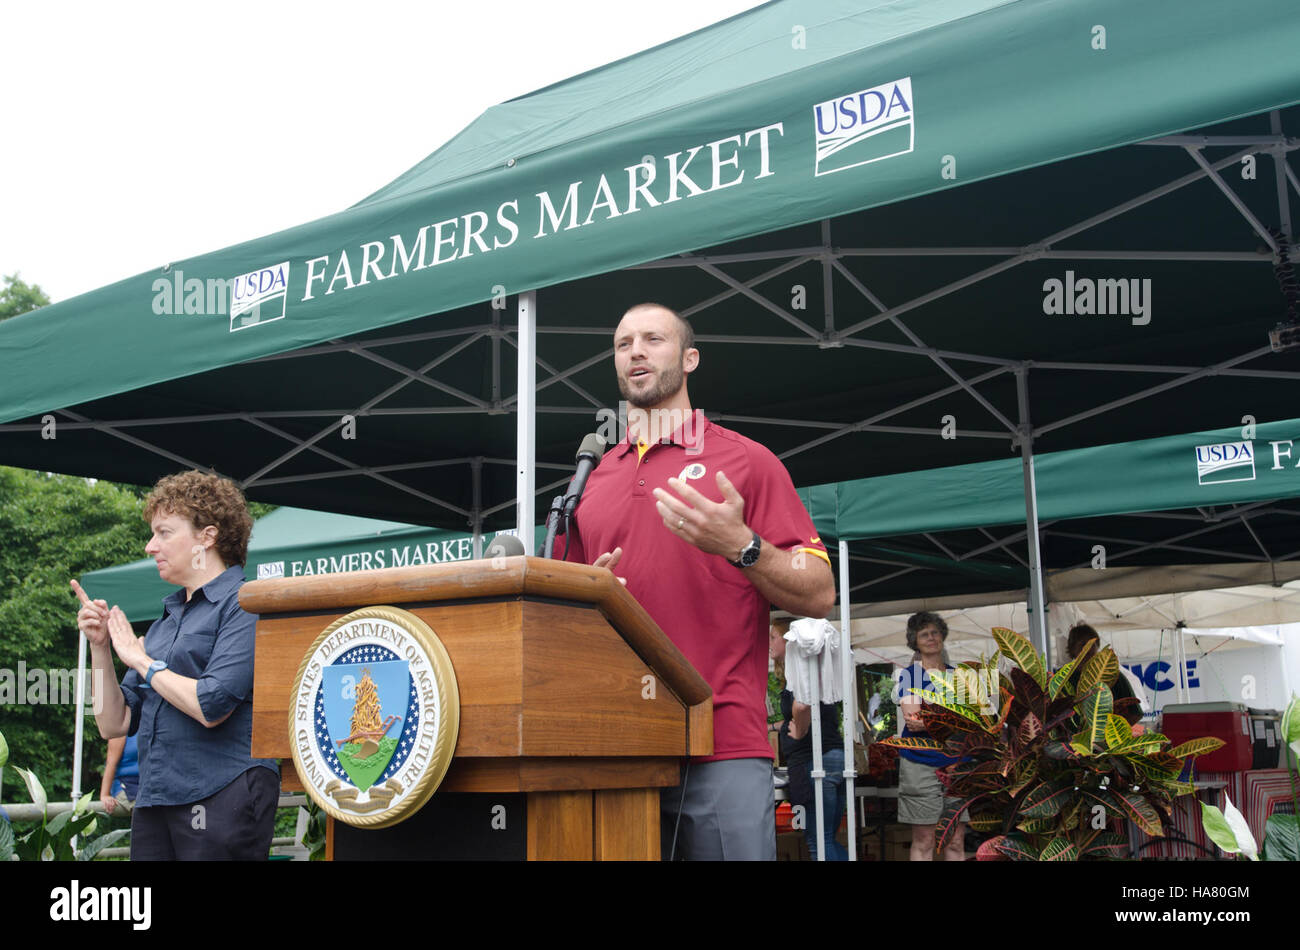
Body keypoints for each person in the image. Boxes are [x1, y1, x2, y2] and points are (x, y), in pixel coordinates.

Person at [564, 302, 836, 860]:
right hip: (619, 747)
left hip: (723, 744)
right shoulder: (592, 477)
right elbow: (559, 616)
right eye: (622, 343)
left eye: (652, 339)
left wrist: (743, 546)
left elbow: (819, 593)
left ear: (689, 359)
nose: (635, 351)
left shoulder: (745, 461)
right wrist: (581, 598)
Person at [74, 470, 279, 860]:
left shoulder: (246, 604)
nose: (151, 546)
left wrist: (142, 661)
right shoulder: (165, 621)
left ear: (207, 536)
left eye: (164, 532)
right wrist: (101, 649)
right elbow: (113, 725)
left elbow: (212, 705)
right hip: (156, 799)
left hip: (225, 792)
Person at [770, 623, 848, 861]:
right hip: (834, 757)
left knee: (818, 841)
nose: (769, 643)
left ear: (789, 640)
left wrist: (800, 730)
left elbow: (802, 706)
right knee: (828, 838)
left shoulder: (799, 668)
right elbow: (802, 714)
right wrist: (775, 726)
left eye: (773, 637)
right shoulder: (817, 666)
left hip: (813, 762)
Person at [895, 611, 966, 861]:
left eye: (935, 632)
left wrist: (937, 720)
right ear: (914, 640)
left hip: (956, 764)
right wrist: (956, 718)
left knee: (955, 840)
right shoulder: (911, 675)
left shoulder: (959, 676)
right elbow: (914, 722)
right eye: (924, 634)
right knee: (924, 840)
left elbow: (976, 722)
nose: (931, 637)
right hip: (920, 762)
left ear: (943, 635)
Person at [1065, 623, 1143, 726]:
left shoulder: (1113, 675)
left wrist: (1113, 733)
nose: (1087, 648)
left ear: (1097, 646)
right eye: (1082, 644)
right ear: (1072, 649)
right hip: (1072, 740)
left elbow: (1135, 712)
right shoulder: (1064, 679)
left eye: (1092, 643)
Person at [99, 734, 138, 815]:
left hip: (148, 782)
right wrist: (105, 795)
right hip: (125, 783)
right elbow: (111, 764)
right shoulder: (122, 731)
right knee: (146, 808)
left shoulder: (153, 726)